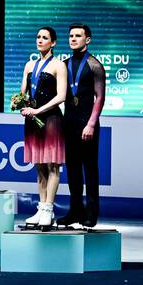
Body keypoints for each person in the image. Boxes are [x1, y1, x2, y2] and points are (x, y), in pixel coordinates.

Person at [18, 27, 68, 229]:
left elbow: (61, 96)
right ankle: (41, 209)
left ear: (53, 43)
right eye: (38, 37)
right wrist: (22, 105)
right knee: (39, 165)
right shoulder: (30, 65)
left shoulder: (59, 66)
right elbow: (23, 92)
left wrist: (39, 111)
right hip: (32, 120)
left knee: (52, 165)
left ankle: (49, 208)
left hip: (51, 119)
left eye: (45, 38)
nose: (40, 40)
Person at [59, 23, 106, 228]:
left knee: (90, 169)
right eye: (70, 36)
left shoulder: (95, 65)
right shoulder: (64, 64)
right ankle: (75, 211)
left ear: (87, 40)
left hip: (87, 124)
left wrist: (91, 124)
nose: (73, 39)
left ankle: (91, 213)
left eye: (78, 35)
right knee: (72, 169)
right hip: (68, 123)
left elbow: (100, 97)